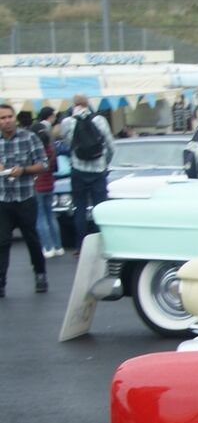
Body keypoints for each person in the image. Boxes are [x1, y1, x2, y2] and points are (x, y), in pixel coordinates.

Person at [0, 103, 50, 295]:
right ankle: (1, 280)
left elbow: (43, 164)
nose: (7, 121)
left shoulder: (29, 137)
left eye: (9, 117)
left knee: (31, 239)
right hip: (3, 198)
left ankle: (40, 274)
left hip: (25, 197)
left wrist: (24, 170)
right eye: (2, 118)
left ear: (15, 117)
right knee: (2, 241)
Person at [58, 94, 113, 243]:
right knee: (100, 207)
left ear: (74, 104)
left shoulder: (67, 122)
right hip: (98, 170)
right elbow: (110, 145)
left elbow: (68, 144)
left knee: (80, 208)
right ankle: (100, 240)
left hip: (78, 169)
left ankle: (80, 244)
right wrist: (105, 163)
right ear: (88, 104)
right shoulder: (99, 120)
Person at [31, 110, 63, 258]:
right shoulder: (51, 149)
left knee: (40, 217)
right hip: (50, 184)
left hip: (37, 185)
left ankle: (47, 247)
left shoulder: (35, 150)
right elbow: (55, 166)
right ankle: (58, 246)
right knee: (51, 215)